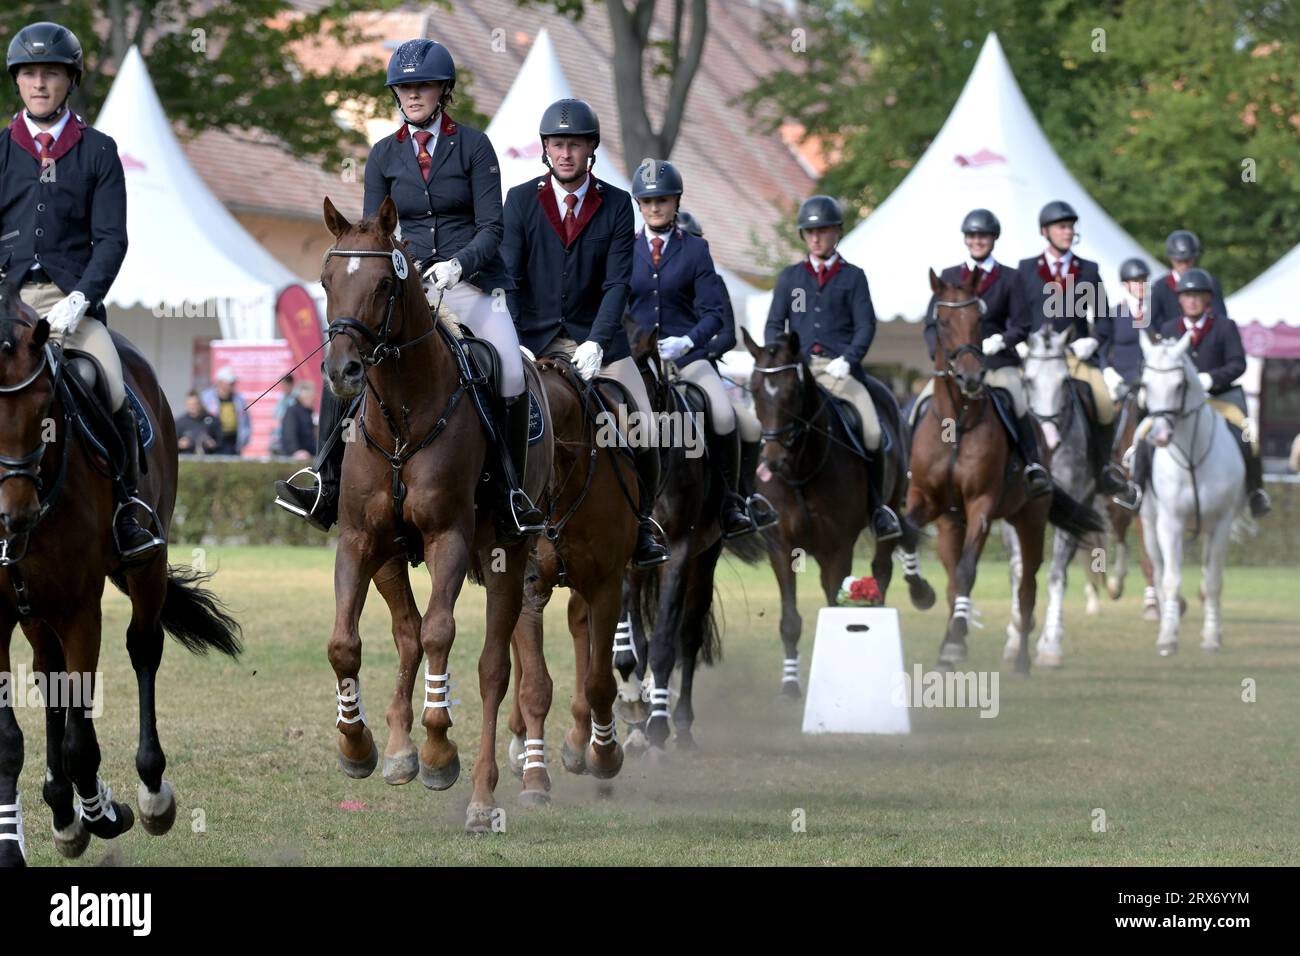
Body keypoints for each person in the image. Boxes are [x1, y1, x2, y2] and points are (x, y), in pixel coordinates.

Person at [274, 38, 543, 534]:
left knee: (506, 366)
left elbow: (493, 228)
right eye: (404, 87)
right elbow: (376, 230)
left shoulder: (475, 146)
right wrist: (404, 269)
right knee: (342, 356)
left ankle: (510, 491)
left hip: (473, 283)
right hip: (406, 285)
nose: (413, 94)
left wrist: (459, 266)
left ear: (443, 90)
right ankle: (326, 482)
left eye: (421, 86)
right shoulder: (382, 154)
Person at [0, 20, 163, 562]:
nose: (39, 83)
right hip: (8, 307)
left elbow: (111, 239)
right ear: (17, 82)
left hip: (72, 306)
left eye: (50, 74)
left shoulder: (97, 150)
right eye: (29, 74)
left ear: (69, 80)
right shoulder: (1, 150)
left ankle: (128, 512)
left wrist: (81, 298)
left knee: (110, 384)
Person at [499, 98, 668, 567]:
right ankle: (501, 507)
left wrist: (597, 339)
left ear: (590, 148)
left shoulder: (615, 205)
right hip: (531, 338)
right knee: (494, 408)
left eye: (574, 144)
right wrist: (513, 339)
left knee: (645, 421)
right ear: (546, 149)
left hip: (597, 338)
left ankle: (642, 524)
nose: (565, 153)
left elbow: (618, 282)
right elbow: (510, 278)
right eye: (557, 144)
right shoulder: (519, 201)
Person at [626, 160, 771, 538]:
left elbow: (714, 313)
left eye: (663, 200)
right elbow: (616, 306)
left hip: (687, 358)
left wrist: (689, 340)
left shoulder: (696, 251)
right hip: (636, 360)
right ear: (639, 205)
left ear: (675, 202)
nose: (655, 207)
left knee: (723, 414)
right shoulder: (624, 249)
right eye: (648, 201)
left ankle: (731, 501)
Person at [763, 194, 901, 540]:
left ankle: (877, 507)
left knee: (872, 430)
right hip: (799, 372)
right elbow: (772, 326)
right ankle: (759, 501)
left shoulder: (853, 277)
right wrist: (782, 361)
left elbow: (866, 325)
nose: (816, 238)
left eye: (822, 231)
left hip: (840, 371)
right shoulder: (790, 278)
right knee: (763, 425)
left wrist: (849, 360)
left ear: (837, 232)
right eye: (809, 232)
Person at [1115, 268, 1270, 518]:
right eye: (1187, 295)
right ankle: (1137, 488)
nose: (1192, 300)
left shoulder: (1224, 326)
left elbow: (1238, 363)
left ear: (1208, 298)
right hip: (1177, 404)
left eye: (1198, 295)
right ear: (1179, 299)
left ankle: (1255, 492)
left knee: (1247, 434)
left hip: (1219, 397)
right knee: (1143, 434)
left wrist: (1211, 378)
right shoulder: (1167, 329)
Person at [920, 208, 1050, 497]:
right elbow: (932, 325)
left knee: (1016, 401)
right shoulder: (948, 276)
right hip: (956, 366)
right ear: (966, 239)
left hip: (997, 363)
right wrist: (938, 356)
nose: (978, 241)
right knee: (923, 404)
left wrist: (1000, 341)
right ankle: (916, 468)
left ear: (993, 239)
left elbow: (1023, 323)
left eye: (984, 236)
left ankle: (1032, 464)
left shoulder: (1010, 278)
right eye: (973, 236)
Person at [676, 208, 777, 527]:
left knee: (748, 425)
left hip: (696, 366)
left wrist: (695, 349)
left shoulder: (713, 281)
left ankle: (737, 499)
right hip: (651, 366)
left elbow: (728, 333)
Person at [1016, 200, 1124, 496]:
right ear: (1045, 232)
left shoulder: (1088, 270)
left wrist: (1093, 340)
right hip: (1035, 358)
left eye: (1070, 227)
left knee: (1102, 400)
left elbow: (1104, 319)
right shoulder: (1026, 270)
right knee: (1006, 399)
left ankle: (1103, 469)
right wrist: (1021, 342)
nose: (1068, 232)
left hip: (1073, 358)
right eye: (1062, 227)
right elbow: (1016, 316)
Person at [1098, 257, 1152, 493]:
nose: (1140, 286)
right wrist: (1107, 372)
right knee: (1108, 417)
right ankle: (1105, 465)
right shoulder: (1113, 314)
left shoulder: (1155, 314)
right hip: (1121, 382)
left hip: (1151, 382)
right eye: (1135, 282)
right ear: (1125, 284)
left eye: (1143, 281)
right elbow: (1100, 348)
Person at [1149, 230, 1227, 331]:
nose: (1184, 265)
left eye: (1188, 260)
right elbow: (1152, 321)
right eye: (1179, 261)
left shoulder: (1210, 283)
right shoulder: (1160, 286)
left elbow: (1220, 316)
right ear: (1171, 258)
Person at [201, 367, 250, 455]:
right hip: (212, 444)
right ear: (219, 382)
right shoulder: (206, 398)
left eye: (233, 382)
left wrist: (243, 441)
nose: (233, 384)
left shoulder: (239, 400)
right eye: (230, 382)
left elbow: (245, 422)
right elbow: (200, 420)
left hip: (233, 444)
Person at [279, 379, 317, 460]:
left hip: (310, 456)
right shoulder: (292, 411)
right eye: (308, 396)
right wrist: (296, 452)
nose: (312, 399)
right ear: (301, 397)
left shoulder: (309, 413)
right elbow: (289, 434)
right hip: (297, 458)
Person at [176, 390, 221, 456]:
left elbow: (221, 441)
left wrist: (213, 444)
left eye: (195, 404)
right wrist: (180, 444)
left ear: (201, 403)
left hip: (209, 459)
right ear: (186, 404)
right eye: (190, 404)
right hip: (186, 460)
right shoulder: (179, 423)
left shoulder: (213, 421)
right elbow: (171, 444)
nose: (193, 407)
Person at [269, 373, 294, 456]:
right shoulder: (282, 398)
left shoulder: (297, 398)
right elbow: (276, 416)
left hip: (291, 436)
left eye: (284, 385)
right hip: (279, 438)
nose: (282, 387)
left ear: (290, 384)